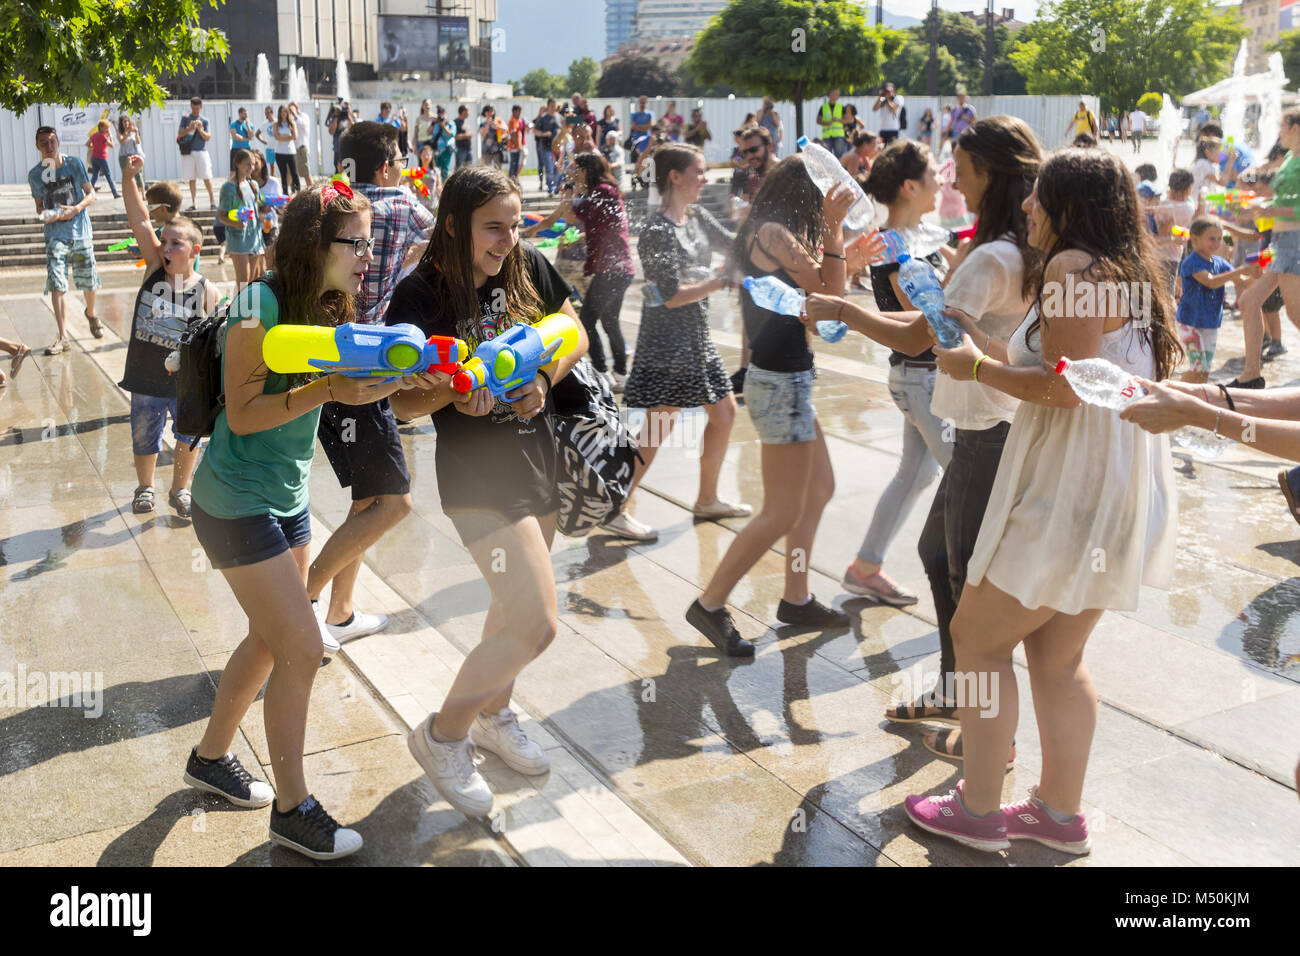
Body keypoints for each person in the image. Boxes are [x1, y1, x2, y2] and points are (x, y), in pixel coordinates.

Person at [905, 147, 1180, 855]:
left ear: (1069, 205)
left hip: (1071, 488)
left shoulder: (1072, 268)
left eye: (1039, 195)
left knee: (976, 639)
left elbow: (1064, 387)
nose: (1026, 204)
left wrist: (975, 367)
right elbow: (1061, 365)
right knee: (1057, 658)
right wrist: (976, 344)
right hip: (1109, 489)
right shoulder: (1118, 270)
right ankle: (1057, 817)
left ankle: (978, 808)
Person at [804, 118, 1040, 764]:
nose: (952, 179)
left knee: (969, 585)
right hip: (985, 426)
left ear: (989, 173)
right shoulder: (1008, 247)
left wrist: (844, 311)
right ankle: (957, 693)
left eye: (960, 167)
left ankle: (988, 738)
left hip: (987, 432)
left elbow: (922, 334)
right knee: (938, 553)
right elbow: (941, 321)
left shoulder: (992, 256)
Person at [184, 177, 399, 859]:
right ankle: (292, 809)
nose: (368, 255)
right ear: (315, 241)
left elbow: (365, 397)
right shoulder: (258, 303)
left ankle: (209, 759)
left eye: (369, 243)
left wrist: (418, 381)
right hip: (233, 501)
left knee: (270, 640)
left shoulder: (329, 304)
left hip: (287, 498)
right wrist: (328, 387)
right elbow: (246, 414)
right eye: (355, 243)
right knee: (304, 647)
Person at [386, 165, 588, 819]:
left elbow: (574, 330)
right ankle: (443, 734)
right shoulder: (420, 295)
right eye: (494, 228)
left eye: (515, 225)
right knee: (536, 623)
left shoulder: (524, 267)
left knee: (509, 609)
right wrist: (449, 394)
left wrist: (546, 379)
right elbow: (400, 402)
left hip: (537, 461)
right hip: (477, 479)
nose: (509, 240)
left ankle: (494, 714)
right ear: (454, 225)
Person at [684, 155, 861, 656]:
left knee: (819, 489)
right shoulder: (776, 233)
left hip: (788, 381)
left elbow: (817, 309)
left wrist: (846, 250)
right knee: (782, 510)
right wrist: (834, 230)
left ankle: (796, 597)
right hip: (781, 385)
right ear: (807, 192)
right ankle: (710, 604)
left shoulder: (772, 230)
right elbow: (831, 298)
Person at [309, 121, 433, 644]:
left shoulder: (332, 206)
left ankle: (340, 612)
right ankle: (303, 599)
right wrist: (407, 258)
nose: (403, 167)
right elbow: (442, 235)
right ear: (385, 167)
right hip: (365, 371)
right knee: (394, 502)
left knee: (368, 501)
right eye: (401, 159)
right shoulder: (400, 204)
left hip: (324, 362)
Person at [606, 143, 752, 542]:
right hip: (668, 342)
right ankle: (616, 507)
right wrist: (721, 281)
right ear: (675, 176)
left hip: (697, 337)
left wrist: (757, 226)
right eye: (699, 171)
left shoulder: (697, 217)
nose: (705, 179)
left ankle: (707, 499)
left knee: (725, 414)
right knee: (658, 427)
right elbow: (669, 295)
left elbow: (735, 244)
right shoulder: (657, 231)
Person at [842, 140, 949, 606]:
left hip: (922, 378)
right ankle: (967, 585)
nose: (941, 182)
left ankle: (865, 568)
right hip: (923, 378)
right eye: (933, 175)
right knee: (969, 480)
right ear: (910, 186)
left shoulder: (924, 236)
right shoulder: (892, 244)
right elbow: (921, 315)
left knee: (916, 474)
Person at [118, 153, 218, 517]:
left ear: (195, 251)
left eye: (176, 243)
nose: (166, 248)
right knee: (144, 432)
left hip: (185, 381)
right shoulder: (154, 270)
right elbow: (140, 219)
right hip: (145, 375)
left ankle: (180, 489)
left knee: (188, 436)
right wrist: (129, 177)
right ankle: (145, 487)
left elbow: (215, 341)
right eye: (164, 242)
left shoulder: (207, 290)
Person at [525, 152, 634, 391]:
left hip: (611, 269)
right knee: (608, 321)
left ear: (586, 171)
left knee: (586, 321)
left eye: (577, 171)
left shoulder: (602, 191)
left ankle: (603, 372)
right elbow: (598, 226)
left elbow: (571, 213)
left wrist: (567, 188)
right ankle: (619, 374)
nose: (575, 175)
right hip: (617, 268)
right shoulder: (604, 191)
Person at [1222, 109, 1300, 388]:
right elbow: (1282, 195)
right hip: (1281, 243)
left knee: (1295, 314)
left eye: (1283, 127)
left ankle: (1252, 374)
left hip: (1294, 243)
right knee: (1248, 301)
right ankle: (1251, 374)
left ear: (1296, 129)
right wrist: (1257, 204)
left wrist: (1268, 208)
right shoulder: (1290, 159)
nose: (1279, 132)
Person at [29, 126, 102, 351]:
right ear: (37, 146)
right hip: (55, 236)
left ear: (58, 142)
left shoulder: (74, 164)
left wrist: (75, 209)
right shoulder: (35, 174)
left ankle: (91, 313)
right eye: (44, 143)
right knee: (57, 284)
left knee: (89, 282)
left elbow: (91, 194)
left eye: (52, 141)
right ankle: (63, 337)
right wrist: (47, 215)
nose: (49, 146)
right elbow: (39, 208)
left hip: (80, 232)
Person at [1173, 218, 1258, 384]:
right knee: (1198, 367)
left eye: (1220, 238)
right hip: (1189, 324)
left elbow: (1243, 283)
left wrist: (1256, 275)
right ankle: (1172, 391)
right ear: (1195, 239)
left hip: (1210, 324)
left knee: (1204, 371)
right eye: (1211, 239)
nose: (1217, 243)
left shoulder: (1221, 263)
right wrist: (1239, 270)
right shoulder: (1191, 262)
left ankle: (1191, 396)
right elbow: (1210, 282)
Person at [220, 148, 266, 294]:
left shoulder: (253, 185)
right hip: (238, 238)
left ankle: (252, 306)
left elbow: (258, 207)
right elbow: (221, 216)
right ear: (237, 164)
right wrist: (236, 223)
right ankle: (239, 307)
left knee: (254, 279)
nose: (251, 167)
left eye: (253, 164)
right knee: (243, 281)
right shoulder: (228, 188)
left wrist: (265, 214)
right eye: (247, 164)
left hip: (255, 236)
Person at [1152, 168, 1196, 299]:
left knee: (1154, 292)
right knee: (1168, 294)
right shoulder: (1188, 209)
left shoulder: (1160, 205)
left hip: (1155, 254)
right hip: (1173, 256)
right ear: (1188, 189)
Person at [177, 97, 214, 210]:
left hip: (201, 151)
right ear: (191, 106)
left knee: (206, 177)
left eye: (197, 109)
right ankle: (194, 203)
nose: (195, 111)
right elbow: (180, 133)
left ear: (201, 107)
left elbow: (208, 137)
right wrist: (189, 128)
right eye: (193, 109)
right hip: (188, 152)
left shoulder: (204, 120)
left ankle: (212, 201)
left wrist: (200, 129)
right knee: (191, 178)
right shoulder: (185, 118)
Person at [85, 119, 118, 199]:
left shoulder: (94, 135)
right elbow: (112, 145)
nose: (108, 129)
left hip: (94, 158)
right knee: (108, 175)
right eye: (106, 127)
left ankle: (89, 193)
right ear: (101, 127)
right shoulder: (103, 136)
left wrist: (94, 146)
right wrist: (110, 136)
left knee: (94, 176)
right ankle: (115, 193)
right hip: (102, 158)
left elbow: (87, 144)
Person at [533, 100, 560, 194]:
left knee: (557, 169)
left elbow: (568, 126)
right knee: (549, 169)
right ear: (548, 106)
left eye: (555, 106)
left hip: (558, 148)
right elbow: (535, 131)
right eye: (552, 106)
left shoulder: (559, 117)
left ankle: (556, 187)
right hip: (546, 147)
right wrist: (543, 134)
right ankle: (551, 188)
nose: (553, 108)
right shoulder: (543, 118)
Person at [273, 105, 300, 193]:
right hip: (280, 152)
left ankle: (297, 190)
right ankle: (285, 193)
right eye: (281, 112)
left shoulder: (292, 123)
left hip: (290, 152)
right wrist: (288, 136)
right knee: (283, 174)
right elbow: (276, 137)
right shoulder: (276, 124)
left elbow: (295, 136)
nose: (283, 114)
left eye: (285, 111)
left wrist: (283, 137)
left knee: (294, 173)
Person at [117, 115, 146, 195]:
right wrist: (127, 133)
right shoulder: (120, 132)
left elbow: (138, 142)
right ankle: (130, 193)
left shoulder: (133, 131)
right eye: (124, 121)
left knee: (138, 174)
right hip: (124, 156)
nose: (126, 123)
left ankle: (143, 193)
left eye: (127, 121)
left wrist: (136, 132)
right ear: (121, 123)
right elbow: (122, 141)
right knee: (126, 175)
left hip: (134, 154)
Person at [817, 89, 848, 157]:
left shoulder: (841, 107)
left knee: (839, 156)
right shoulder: (823, 107)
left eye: (838, 94)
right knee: (826, 156)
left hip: (838, 136)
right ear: (830, 94)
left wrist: (838, 120)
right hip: (827, 136)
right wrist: (827, 123)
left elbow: (846, 120)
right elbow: (818, 121)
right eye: (836, 94)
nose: (838, 96)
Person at [289, 101, 314, 187]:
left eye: (292, 109)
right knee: (291, 173)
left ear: (297, 108)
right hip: (292, 149)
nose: (290, 112)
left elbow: (302, 124)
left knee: (306, 172)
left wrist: (294, 114)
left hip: (302, 148)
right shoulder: (291, 119)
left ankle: (311, 189)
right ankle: (292, 191)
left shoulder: (304, 116)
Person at [327, 99, 355, 173]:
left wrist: (348, 116)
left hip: (349, 149)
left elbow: (355, 129)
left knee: (350, 172)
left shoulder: (351, 118)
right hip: (338, 148)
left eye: (347, 107)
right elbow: (331, 132)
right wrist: (336, 116)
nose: (345, 109)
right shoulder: (335, 118)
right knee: (338, 170)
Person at [430, 105, 456, 183]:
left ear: (446, 114)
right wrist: (433, 123)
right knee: (436, 168)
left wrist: (443, 126)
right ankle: (437, 184)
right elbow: (428, 132)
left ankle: (444, 184)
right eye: (440, 115)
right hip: (436, 149)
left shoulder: (451, 123)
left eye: (443, 115)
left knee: (445, 169)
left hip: (446, 150)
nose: (442, 117)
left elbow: (450, 134)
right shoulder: (435, 124)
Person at [507, 104, 528, 182]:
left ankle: (514, 180)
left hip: (517, 146)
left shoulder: (517, 120)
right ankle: (512, 181)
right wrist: (518, 146)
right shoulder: (513, 120)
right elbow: (513, 134)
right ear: (514, 111)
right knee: (514, 165)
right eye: (518, 111)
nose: (519, 113)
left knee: (516, 164)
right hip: (514, 147)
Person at [630, 95, 655, 162]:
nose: (642, 104)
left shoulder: (650, 114)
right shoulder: (635, 115)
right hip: (637, 140)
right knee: (638, 158)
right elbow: (633, 126)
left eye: (644, 102)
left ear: (647, 103)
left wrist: (639, 126)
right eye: (641, 102)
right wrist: (645, 127)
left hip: (647, 139)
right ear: (638, 103)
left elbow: (651, 125)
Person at [229, 106, 253, 171]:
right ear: (239, 114)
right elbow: (235, 137)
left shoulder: (249, 124)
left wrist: (247, 125)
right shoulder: (233, 124)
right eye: (244, 114)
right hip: (236, 149)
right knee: (233, 170)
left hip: (246, 148)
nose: (246, 115)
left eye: (247, 114)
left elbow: (251, 136)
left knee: (248, 169)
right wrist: (247, 139)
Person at [454, 104, 473, 169]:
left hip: (468, 149)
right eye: (467, 111)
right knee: (459, 169)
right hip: (460, 149)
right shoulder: (456, 122)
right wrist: (466, 135)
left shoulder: (466, 121)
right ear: (463, 112)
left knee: (469, 169)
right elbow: (455, 136)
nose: (469, 113)